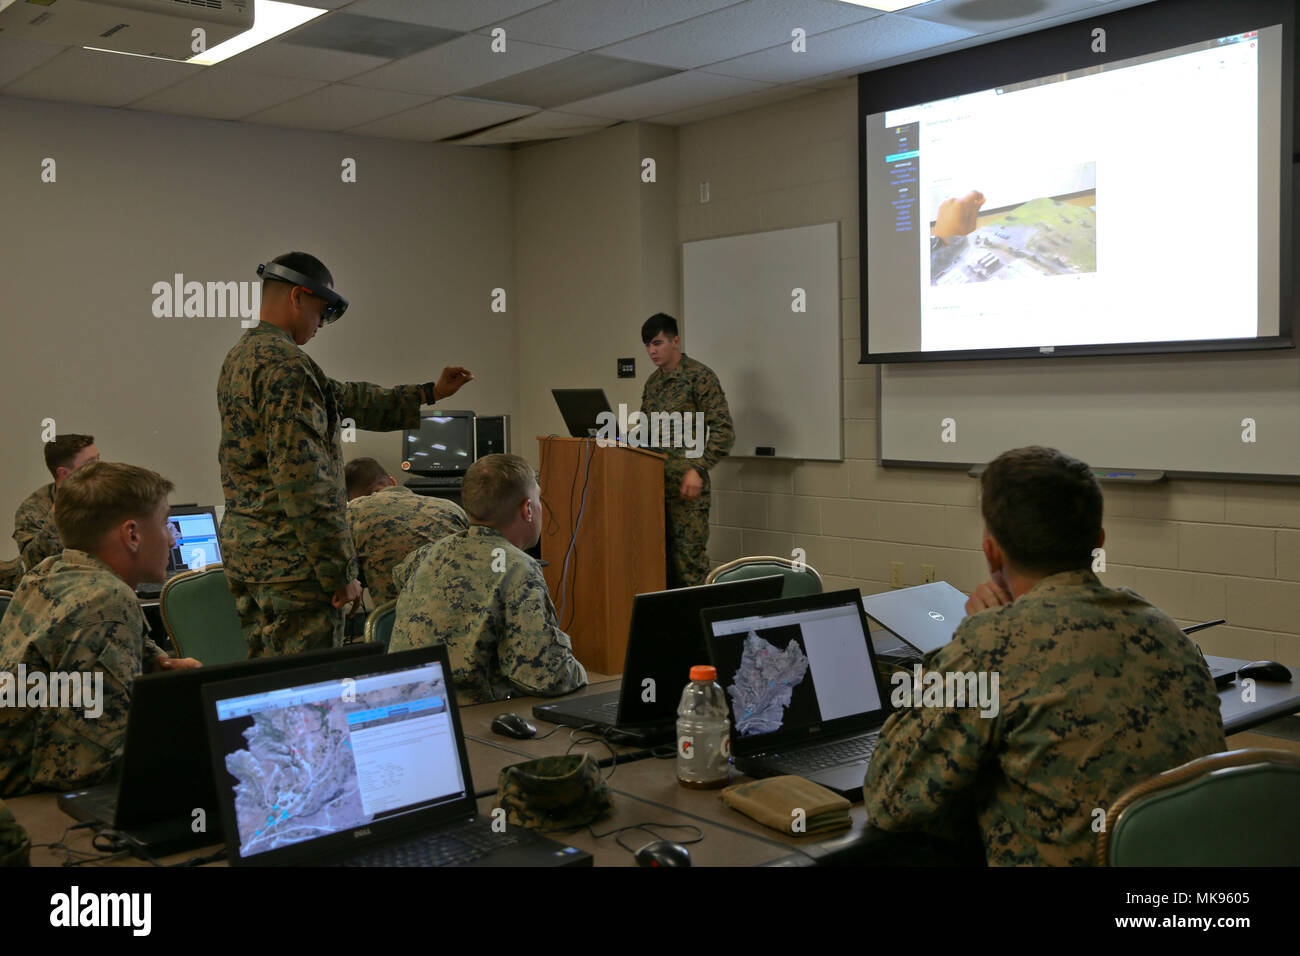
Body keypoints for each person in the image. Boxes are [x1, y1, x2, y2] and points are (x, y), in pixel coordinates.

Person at [863, 446, 1227, 866]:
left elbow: (889, 796)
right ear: (1099, 542)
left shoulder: (994, 643)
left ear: (992, 551)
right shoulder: (1165, 631)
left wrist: (973, 641)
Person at [216, 251, 473, 657]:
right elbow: (304, 481)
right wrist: (339, 572)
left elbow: (346, 396)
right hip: (293, 565)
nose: (320, 325)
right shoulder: (287, 366)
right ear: (298, 297)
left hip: (250, 555)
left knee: (267, 682)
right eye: (321, 312)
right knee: (310, 688)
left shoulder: (243, 357)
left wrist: (429, 393)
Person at [0, 462, 201, 797]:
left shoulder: (51, 571)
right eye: (166, 524)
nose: (172, 539)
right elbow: (87, 767)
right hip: (29, 802)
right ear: (132, 535)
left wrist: (155, 664)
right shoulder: (107, 601)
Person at [388, 454, 587, 705]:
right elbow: (548, 677)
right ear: (527, 509)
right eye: (538, 500)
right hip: (470, 719)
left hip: (404, 709)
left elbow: (399, 578)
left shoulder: (428, 552)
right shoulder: (518, 568)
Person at [639, 313, 734, 588]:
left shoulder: (699, 377)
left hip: (687, 491)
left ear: (675, 340)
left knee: (689, 568)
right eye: (647, 345)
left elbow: (724, 431)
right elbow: (645, 432)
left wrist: (699, 469)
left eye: (657, 343)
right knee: (659, 567)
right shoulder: (653, 384)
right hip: (653, 489)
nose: (651, 351)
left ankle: (699, 629)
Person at [345, 457, 469, 604]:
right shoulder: (451, 507)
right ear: (392, 482)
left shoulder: (354, 509)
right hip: (465, 612)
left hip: (400, 620)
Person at [12, 434, 99, 571]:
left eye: (98, 458)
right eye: (90, 462)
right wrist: (61, 509)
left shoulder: (113, 493)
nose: (100, 467)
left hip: (117, 577)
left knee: (144, 586)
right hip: (66, 583)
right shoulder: (34, 509)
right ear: (64, 473)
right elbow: (35, 563)